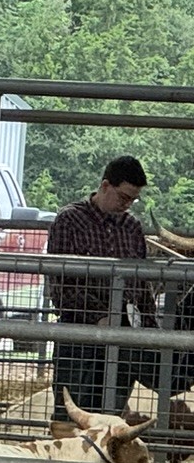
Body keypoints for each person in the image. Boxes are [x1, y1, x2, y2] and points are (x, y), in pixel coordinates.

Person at [46, 155, 156, 417]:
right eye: (123, 197)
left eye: (133, 200)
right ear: (105, 185)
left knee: (111, 415)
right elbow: (61, 285)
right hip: (79, 334)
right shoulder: (69, 220)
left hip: (123, 334)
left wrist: (149, 325)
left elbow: (142, 283)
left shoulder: (132, 227)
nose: (127, 205)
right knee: (72, 412)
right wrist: (100, 317)